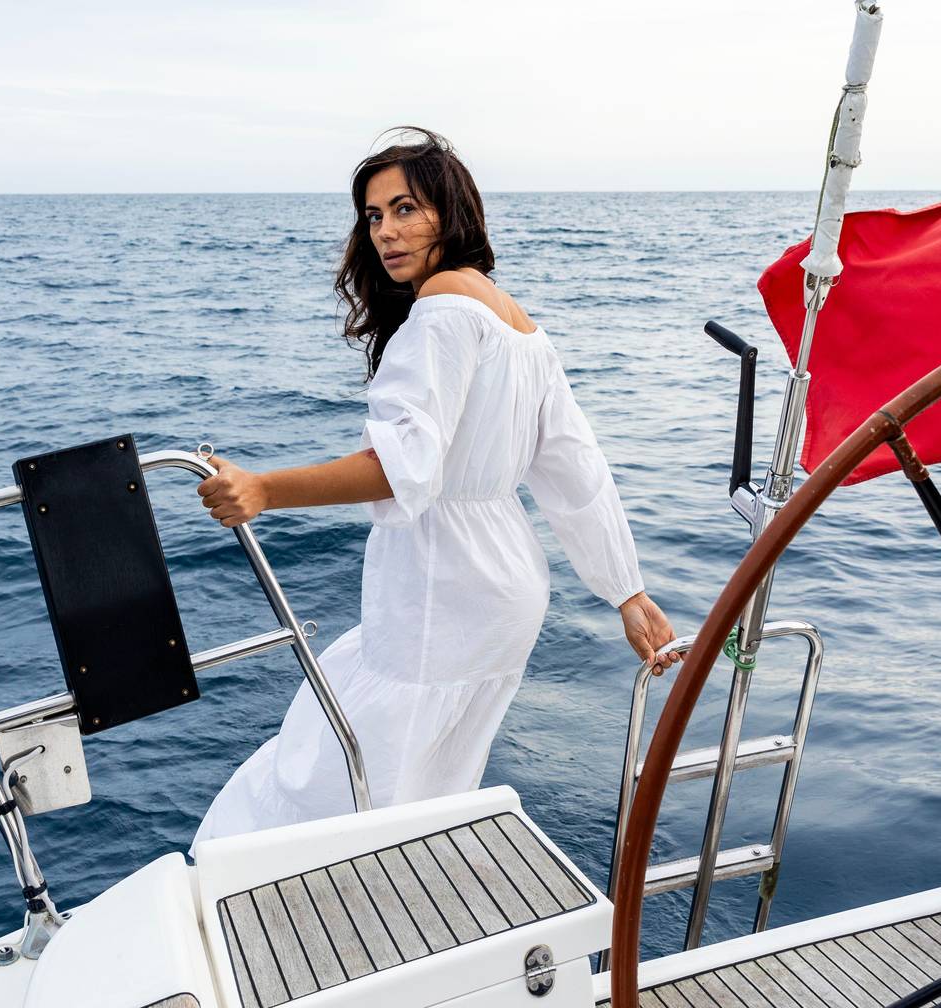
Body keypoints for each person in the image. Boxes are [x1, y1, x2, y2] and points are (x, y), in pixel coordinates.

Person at [190, 128, 676, 845]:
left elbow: (401, 469)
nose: (385, 231)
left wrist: (263, 489)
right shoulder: (516, 322)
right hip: (504, 581)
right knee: (431, 767)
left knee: (363, 769)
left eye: (405, 208)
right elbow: (574, 467)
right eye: (373, 215)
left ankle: (339, 900)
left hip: (443, 581)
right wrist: (625, 590)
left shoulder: (443, 311)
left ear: (449, 212)